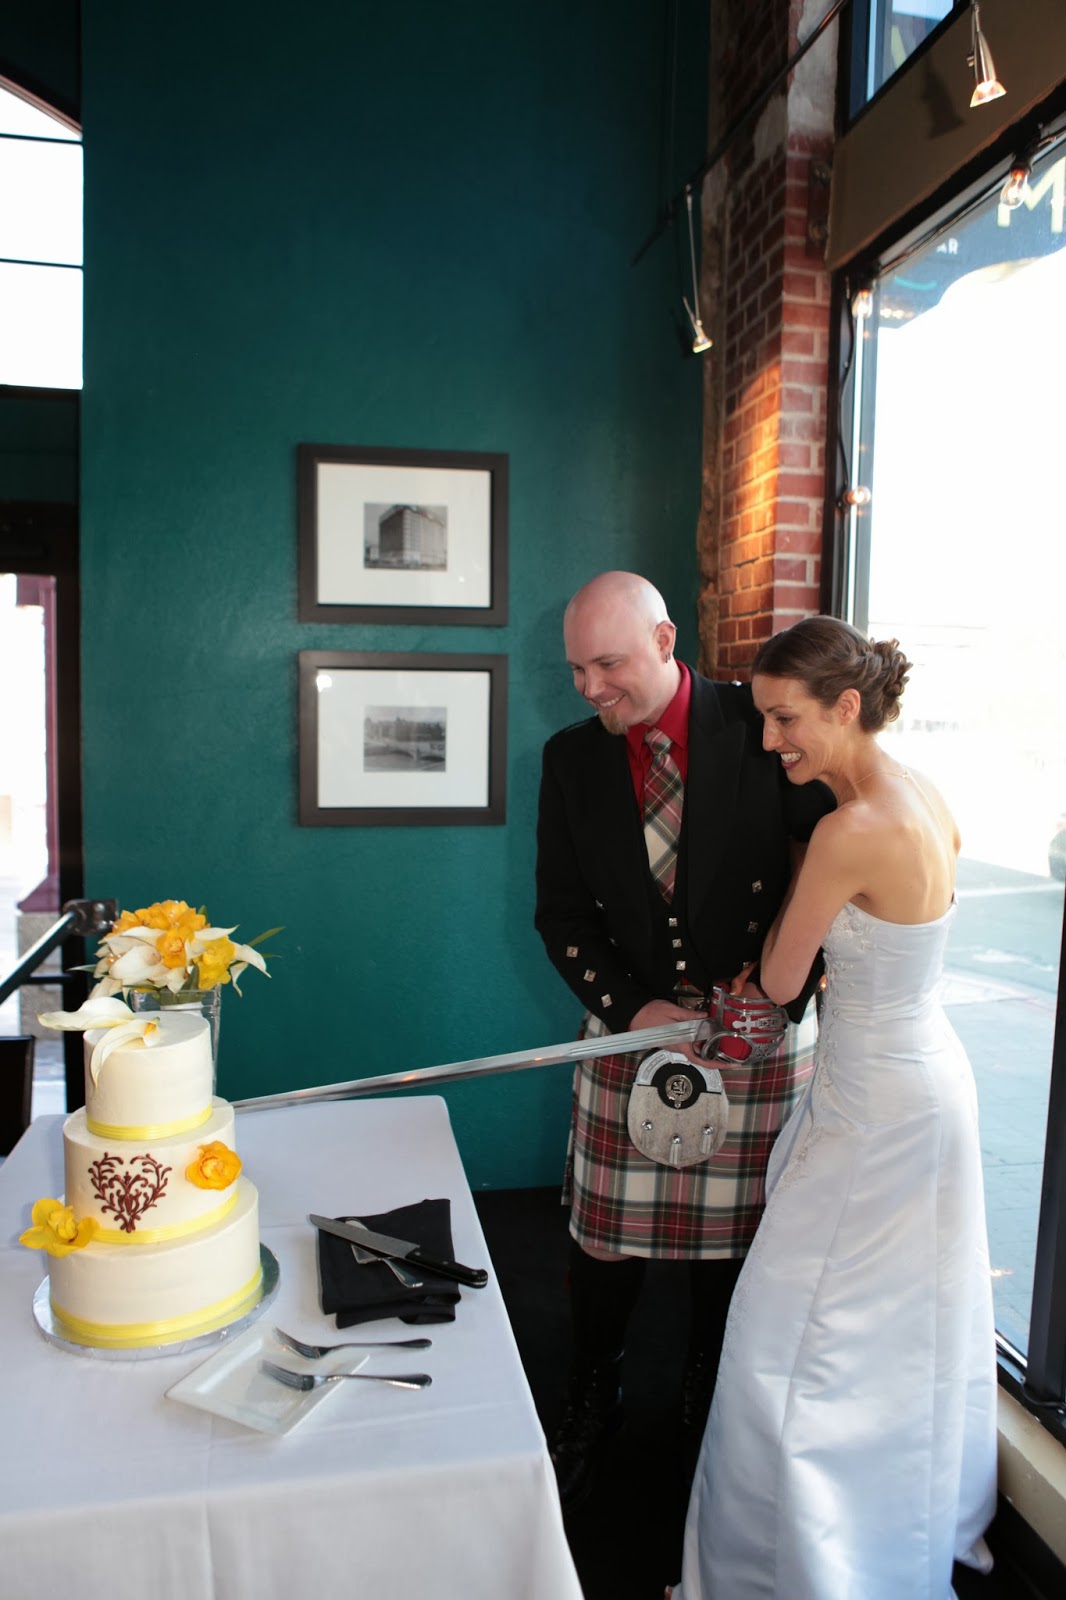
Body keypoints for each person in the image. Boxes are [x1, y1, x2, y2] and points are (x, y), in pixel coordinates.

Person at [670, 616, 997, 1600]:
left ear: (844, 707)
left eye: (784, 718)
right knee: (903, 1333)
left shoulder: (845, 827)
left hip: (871, 1109)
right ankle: (885, 1532)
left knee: (786, 1333)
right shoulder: (925, 797)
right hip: (928, 1080)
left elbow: (775, 980)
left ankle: (792, 1566)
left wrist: (731, 999)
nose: (772, 742)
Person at [534, 571, 833, 1508]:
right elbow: (562, 913)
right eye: (577, 668)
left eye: (608, 663)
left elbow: (818, 881)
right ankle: (594, 1391)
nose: (590, 687)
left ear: (666, 644)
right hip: (634, 1026)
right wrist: (632, 1013)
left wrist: (778, 1001)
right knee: (604, 1240)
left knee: (737, 1245)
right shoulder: (570, 758)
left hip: (754, 1027)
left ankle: (710, 1407)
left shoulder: (762, 727)